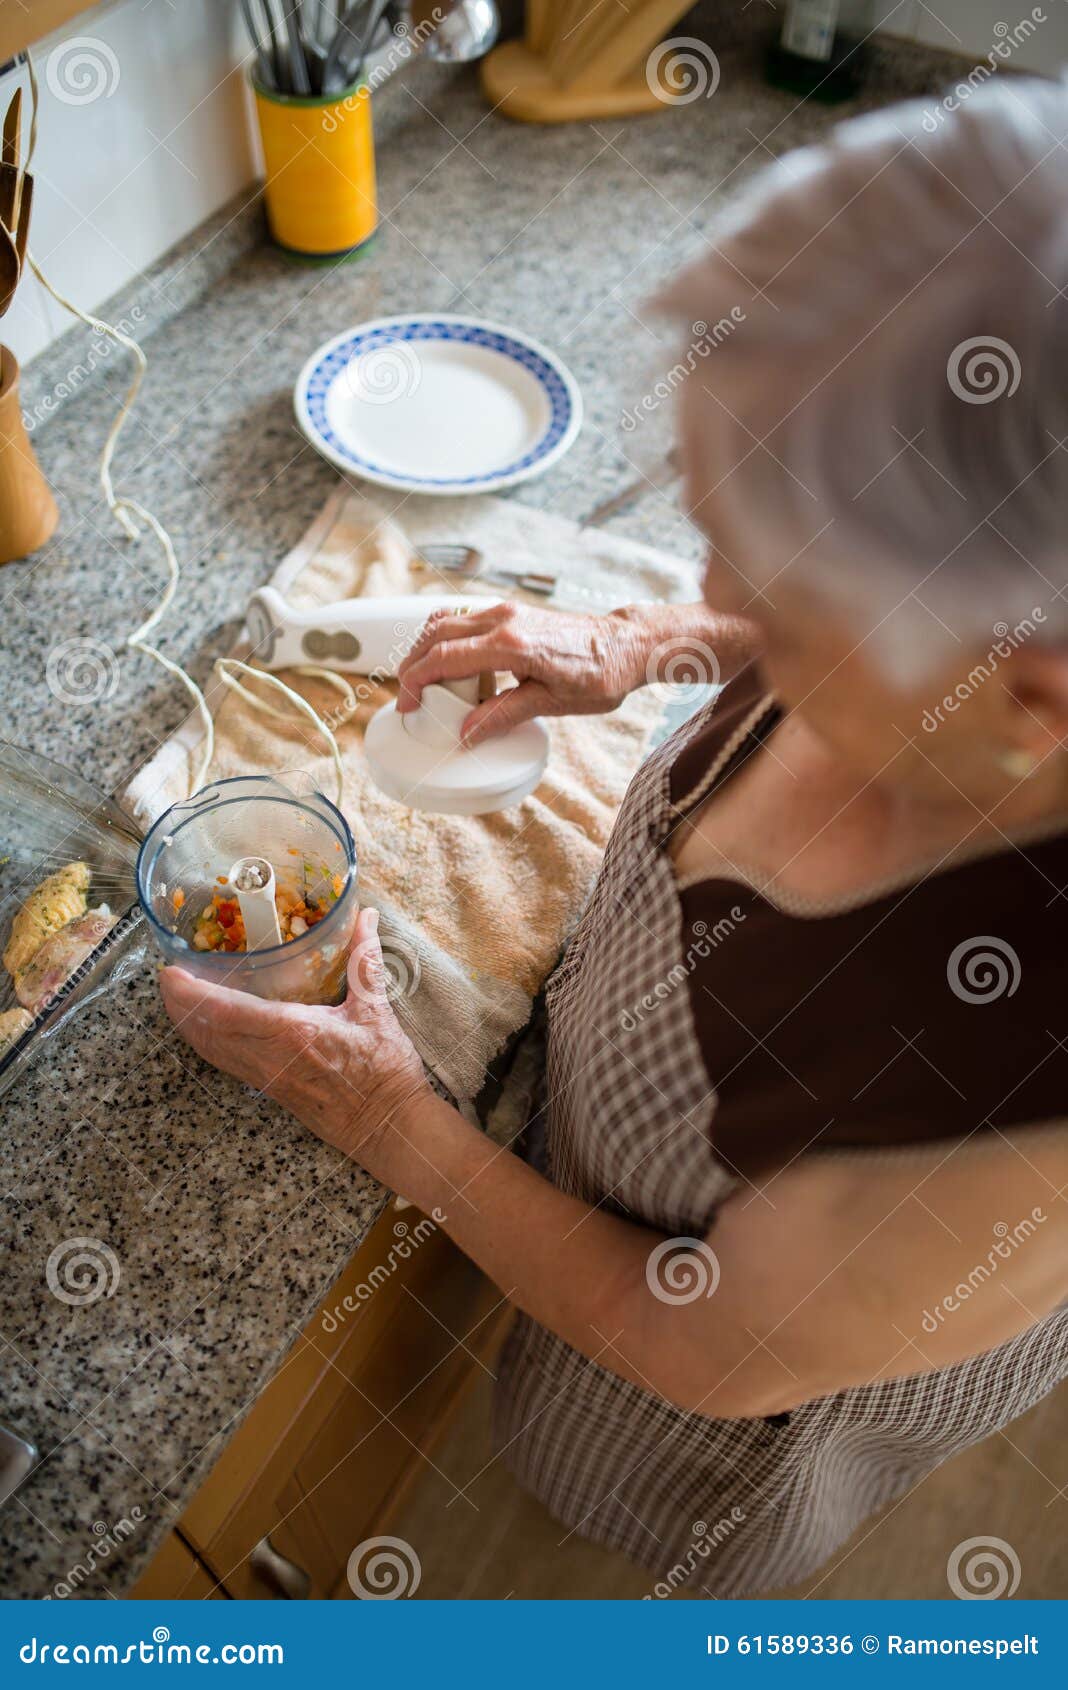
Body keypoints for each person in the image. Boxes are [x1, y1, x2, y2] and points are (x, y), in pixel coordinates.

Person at [162, 77, 1068, 1595]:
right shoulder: (976, 652)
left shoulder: (1020, 1089)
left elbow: (701, 1344)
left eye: (771, 589)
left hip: (694, 1370)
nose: (720, 589)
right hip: (623, 1156)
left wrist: (393, 1124)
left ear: (1034, 699)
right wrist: (647, 640)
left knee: (609, 1510)